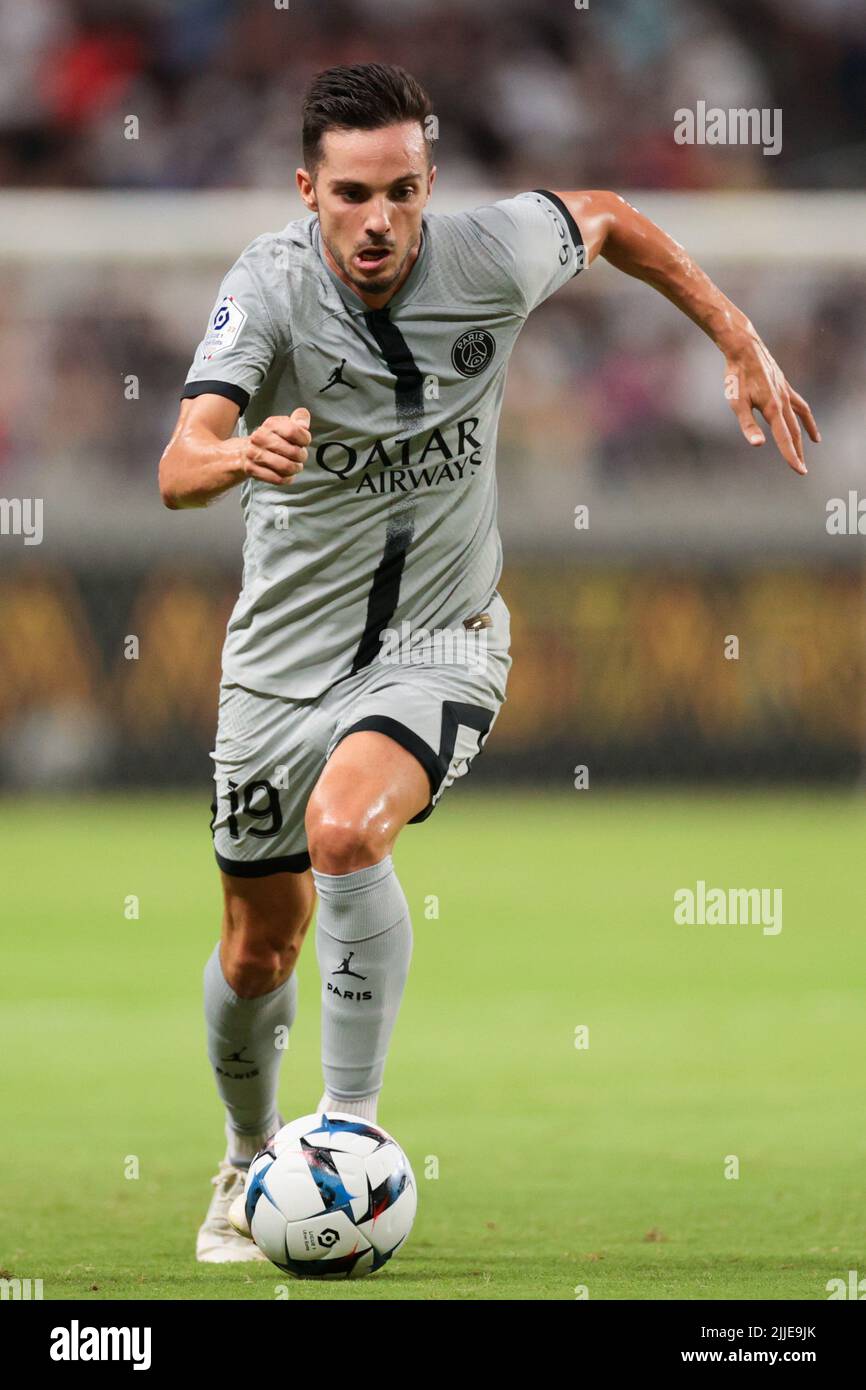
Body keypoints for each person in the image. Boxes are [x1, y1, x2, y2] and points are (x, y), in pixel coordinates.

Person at [158, 62, 819, 1262]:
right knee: (258, 946)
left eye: (401, 191)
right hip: (278, 665)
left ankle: (345, 1140)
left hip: (441, 640)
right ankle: (248, 1155)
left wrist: (734, 334)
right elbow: (177, 464)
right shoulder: (266, 286)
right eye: (351, 194)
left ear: (430, 184)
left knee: (346, 830)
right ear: (307, 191)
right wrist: (241, 453)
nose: (377, 220)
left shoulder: (491, 254)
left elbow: (607, 218)